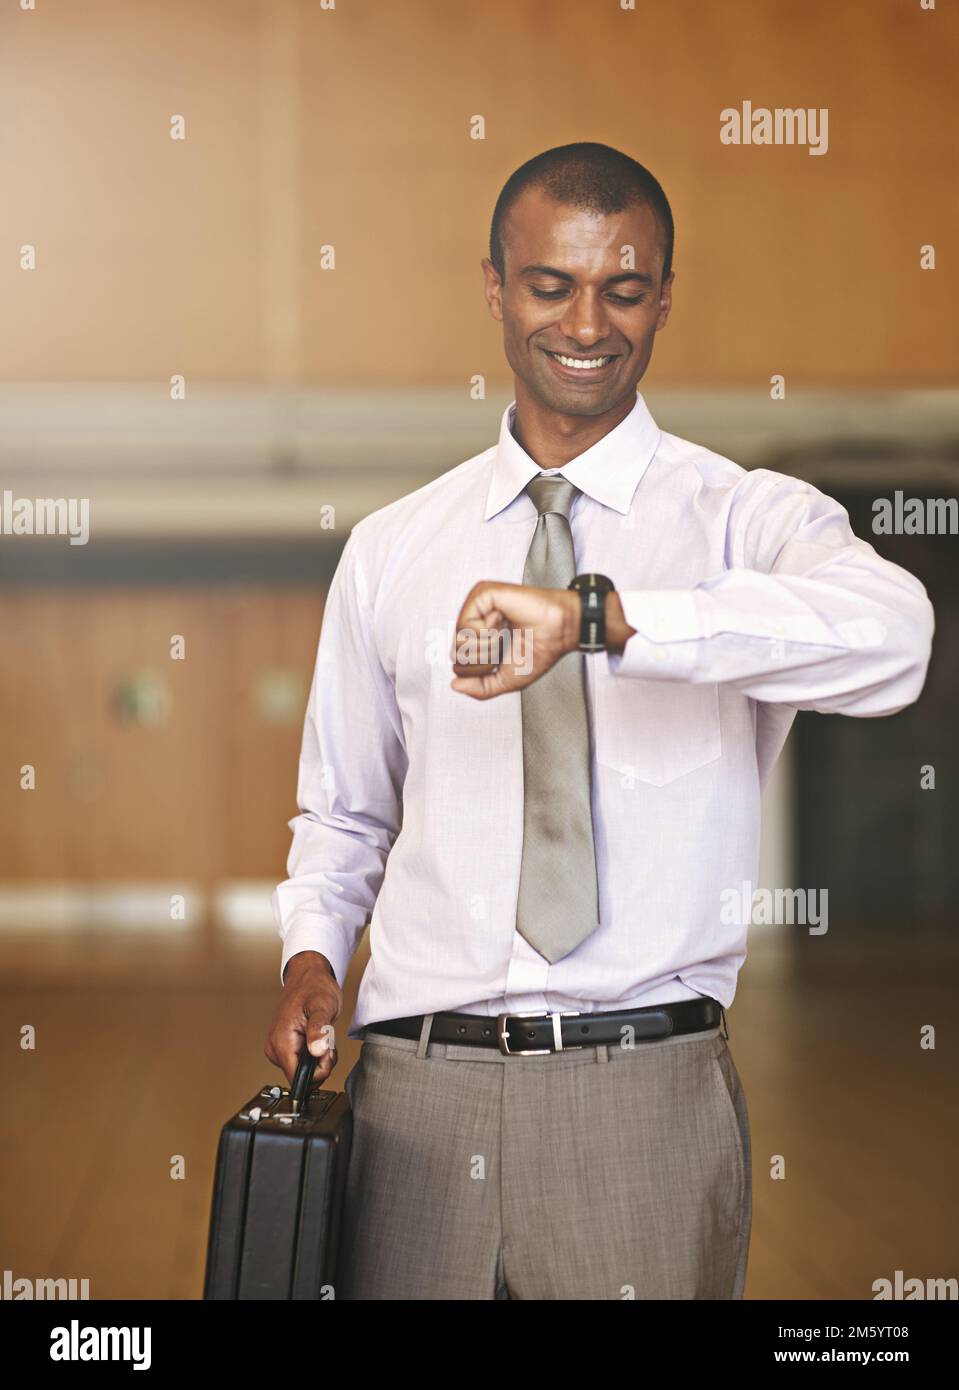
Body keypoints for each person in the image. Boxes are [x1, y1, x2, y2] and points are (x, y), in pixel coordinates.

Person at [265, 142, 934, 1300]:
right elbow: (344, 810)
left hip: (642, 1099)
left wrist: (602, 619)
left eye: (623, 288)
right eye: (549, 284)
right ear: (492, 287)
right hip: (416, 1096)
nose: (587, 321)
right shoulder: (389, 550)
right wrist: (312, 955)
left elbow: (894, 639)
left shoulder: (744, 517)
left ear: (664, 295)